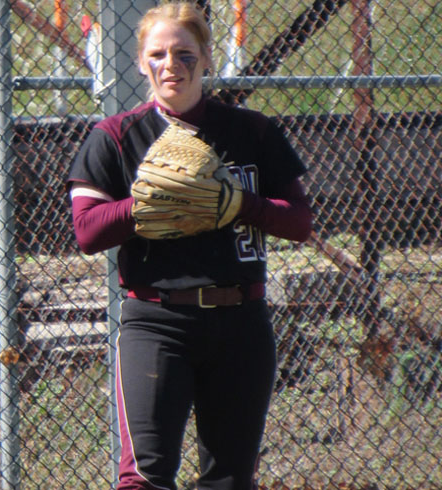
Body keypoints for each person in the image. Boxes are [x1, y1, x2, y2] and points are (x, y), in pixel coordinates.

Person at [66, 2, 314, 489]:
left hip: (241, 322)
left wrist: (236, 203)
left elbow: (300, 222)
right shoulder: (115, 136)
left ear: (205, 58)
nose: (170, 65)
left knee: (229, 479)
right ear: (141, 62)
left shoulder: (251, 130)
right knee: (144, 476)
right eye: (157, 54)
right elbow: (87, 231)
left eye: (183, 53)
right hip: (158, 323)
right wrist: (145, 205)